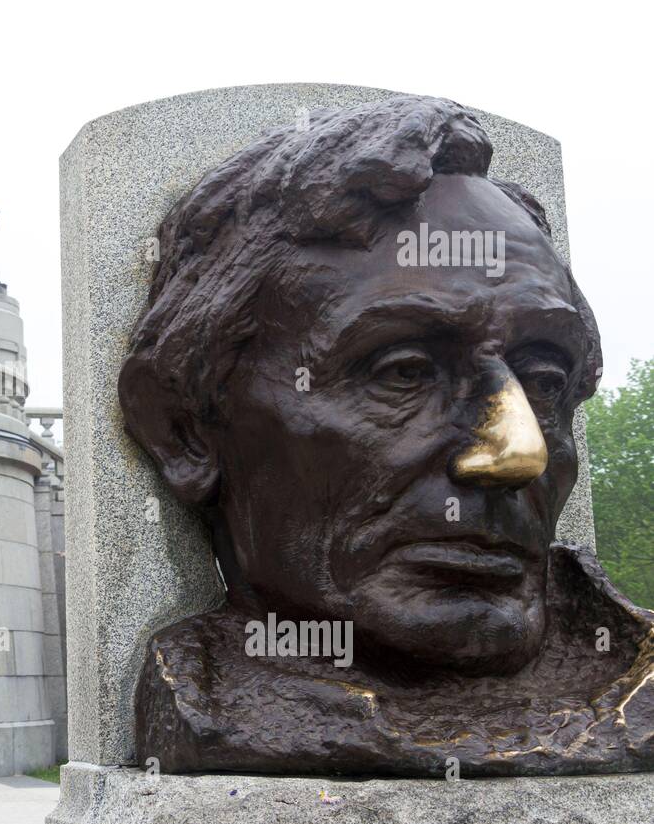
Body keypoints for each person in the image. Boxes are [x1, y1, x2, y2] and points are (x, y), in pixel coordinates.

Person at [119, 94, 653, 776]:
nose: (519, 451)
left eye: (544, 382)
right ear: (182, 428)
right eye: (403, 371)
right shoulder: (204, 701)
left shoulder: (633, 679)